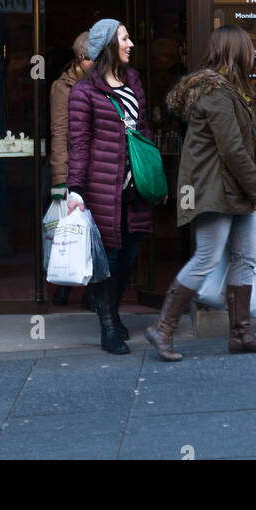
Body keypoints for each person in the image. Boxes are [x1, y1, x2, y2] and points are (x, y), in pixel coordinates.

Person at [145, 25, 256, 361]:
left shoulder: (226, 90)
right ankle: (162, 328)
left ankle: (241, 334)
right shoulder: (216, 93)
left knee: (247, 257)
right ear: (236, 51)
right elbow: (233, 149)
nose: (253, 54)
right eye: (248, 48)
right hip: (214, 191)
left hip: (229, 191)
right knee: (207, 256)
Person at [67, 19, 158, 355]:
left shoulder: (133, 80)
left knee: (129, 256)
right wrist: (75, 189)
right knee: (107, 259)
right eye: (124, 37)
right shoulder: (84, 91)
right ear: (108, 45)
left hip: (135, 189)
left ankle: (114, 312)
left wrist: (153, 174)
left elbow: (144, 130)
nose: (131, 43)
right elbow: (79, 142)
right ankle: (107, 326)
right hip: (102, 189)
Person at [48, 30, 93, 307]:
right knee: (68, 230)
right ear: (79, 59)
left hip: (98, 168)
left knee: (94, 231)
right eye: (90, 59)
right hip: (72, 169)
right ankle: (64, 285)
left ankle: (91, 291)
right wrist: (59, 181)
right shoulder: (61, 87)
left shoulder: (105, 81)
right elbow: (59, 134)